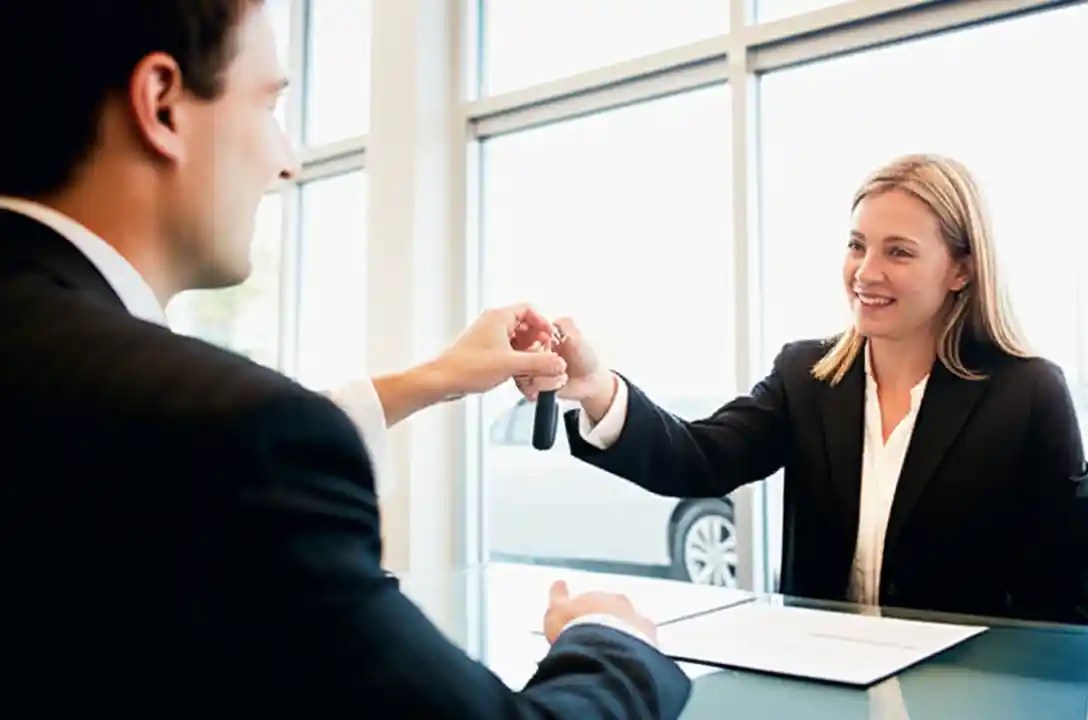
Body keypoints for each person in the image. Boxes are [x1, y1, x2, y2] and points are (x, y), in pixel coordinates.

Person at [0, 1, 689, 716]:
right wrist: (613, 640)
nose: (288, 161)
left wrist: (435, 378)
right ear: (163, 104)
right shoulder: (234, 441)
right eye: (268, 105)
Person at [519, 154, 1088, 625]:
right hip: (823, 688)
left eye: (898, 251)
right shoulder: (809, 375)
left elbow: (1062, 609)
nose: (866, 272)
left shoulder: (1028, 395)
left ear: (961, 270)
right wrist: (596, 386)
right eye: (856, 245)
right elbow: (699, 460)